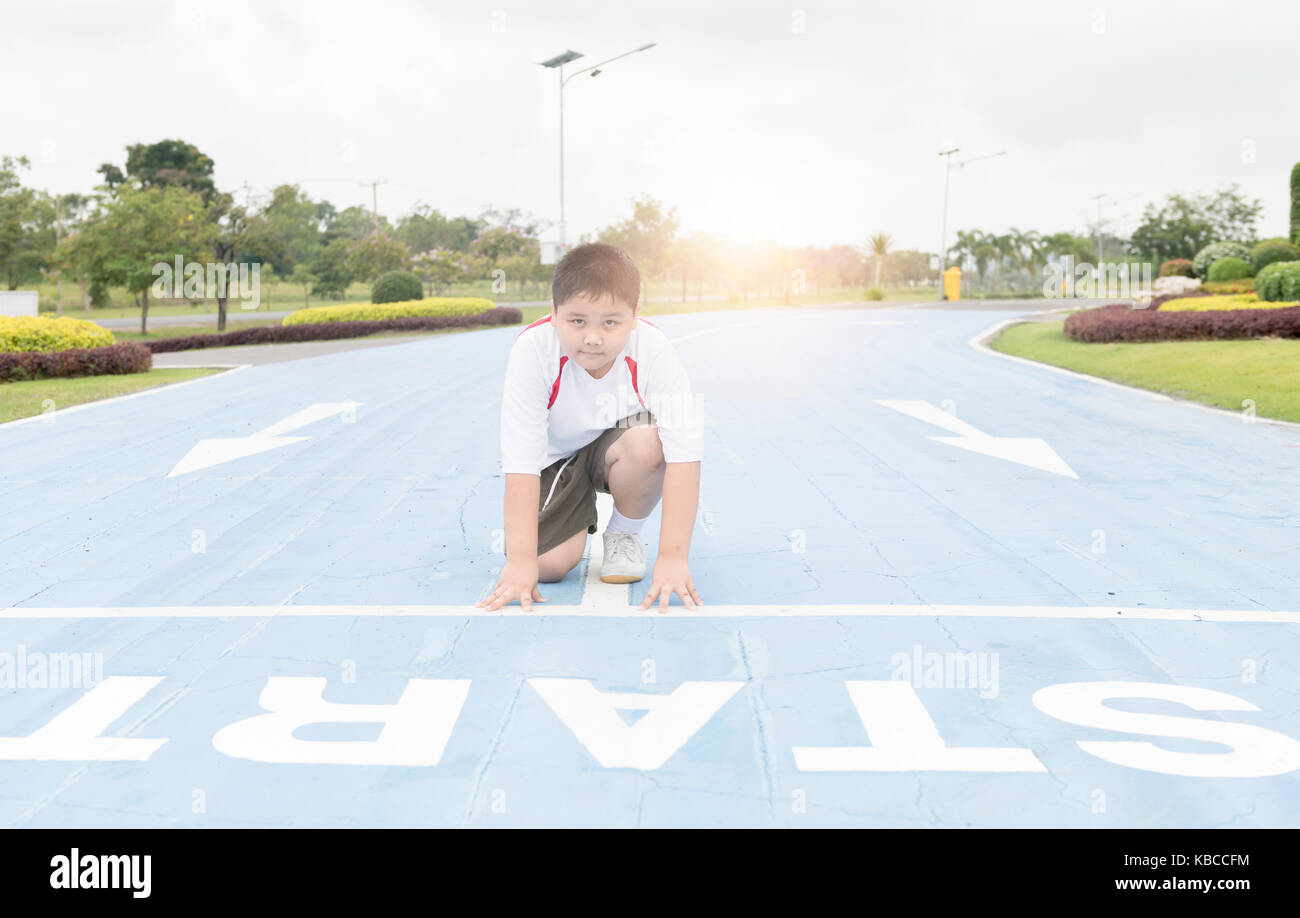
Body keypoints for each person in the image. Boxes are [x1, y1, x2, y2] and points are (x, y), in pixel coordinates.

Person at [476, 242, 704, 613]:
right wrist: (519, 563)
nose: (593, 337)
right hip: (557, 460)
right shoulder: (533, 350)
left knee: (650, 444)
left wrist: (673, 558)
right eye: (577, 321)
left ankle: (623, 534)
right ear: (553, 313)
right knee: (545, 566)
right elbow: (521, 461)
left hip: (619, 448)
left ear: (635, 316)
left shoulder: (654, 349)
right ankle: (575, 513)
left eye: (610, 322)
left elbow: (685, 454)